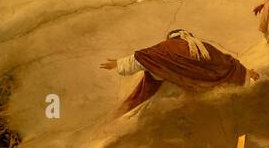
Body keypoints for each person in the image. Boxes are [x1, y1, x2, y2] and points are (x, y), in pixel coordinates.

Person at [102, 29, 255, 116]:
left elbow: (144, 57)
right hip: (202, 92)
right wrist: (247, 72)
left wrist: (118, 64)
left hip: (180, 94)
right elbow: (226, 62)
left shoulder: (167, 47)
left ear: (172, 38)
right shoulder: (204, 47)